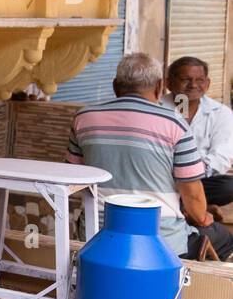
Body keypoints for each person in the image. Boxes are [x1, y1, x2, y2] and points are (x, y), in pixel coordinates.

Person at [66, 53, 233, 261]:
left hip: (95, 232)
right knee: (224, 237)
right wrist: (202, 217)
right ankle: (191, 285)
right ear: (160, 86)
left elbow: (74, 179)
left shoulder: (83, 118)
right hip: (160, 238)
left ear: (115, 86)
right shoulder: (174, 123)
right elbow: (193, 195)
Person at [165, 55, 233, 209]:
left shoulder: (221, 113)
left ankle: (184, 207)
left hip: (198, 181)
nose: (193, 85)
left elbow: (221, 157)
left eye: (200, 80)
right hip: (161, 179)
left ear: (207, 84)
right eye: (185, 79)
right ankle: (192, 209)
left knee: (228, 187)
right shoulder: (157, 109)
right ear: (169, 83)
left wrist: (189, 173)